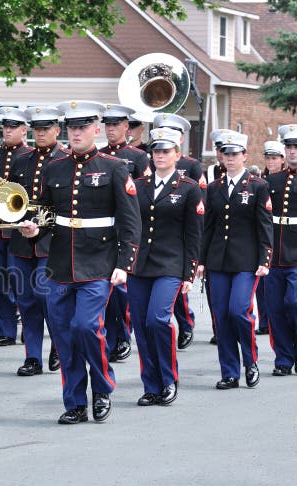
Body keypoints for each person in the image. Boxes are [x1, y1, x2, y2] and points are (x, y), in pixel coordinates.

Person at [19, 100, 141, 424]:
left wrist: (125, 263)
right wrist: (34, 228)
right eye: (72, 127)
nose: (76, 133)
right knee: (63, 335)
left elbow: (130, 221)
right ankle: (74, 402)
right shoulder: (54, 168)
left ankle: (102, 387)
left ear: (96, 130)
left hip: (98, 263)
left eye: (83, 127)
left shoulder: (114, 167)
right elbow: (46, 214)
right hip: (60, 265)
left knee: (86, 326)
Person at [129, 127, 203, 406]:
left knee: (157, 320)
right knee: (140, 325)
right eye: (156, 151)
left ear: (177, 155)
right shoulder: (137, 185)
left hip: (171, 264)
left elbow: (194, 233)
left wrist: (190, 272)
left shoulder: (188, 188)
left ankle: (169, 379)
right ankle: (151, 385)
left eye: (165, 151)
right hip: (139, 266)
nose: (159, 155)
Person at [199, 132, 272, 390]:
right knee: (221, 315)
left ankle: (250, 361)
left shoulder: (257, 186)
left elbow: (264, 225)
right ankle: (229, 371)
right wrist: (201, 260)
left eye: (234, 154)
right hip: (218, 259)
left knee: (238, 310)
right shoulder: (215, 187)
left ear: (244, 156)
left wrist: (265, 258)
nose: (229, 158)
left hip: (246, 260)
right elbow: (208, 227)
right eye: (225, 154)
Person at [9, 105, 66, 376]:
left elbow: (62, 205)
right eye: (37, 129)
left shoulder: (66, 160)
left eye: (46, 129)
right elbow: (9, 197)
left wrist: (38, 225)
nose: (40, 133)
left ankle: (57, 344)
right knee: (26, 300)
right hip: (22, 242)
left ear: (57, 130)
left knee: (47, 298)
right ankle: (33, 357)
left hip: (51, 242)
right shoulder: (22, 160)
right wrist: (14, 218)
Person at [265, 125, 297, 376]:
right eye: (289, 147)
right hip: (274, 252)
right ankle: (283, 357)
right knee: (274, 307)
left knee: (294, 302)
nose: (293, 151)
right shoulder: (272, 180)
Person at [102, 103, 151, 363]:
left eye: (116, 125)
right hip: (105, 231)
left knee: (122, 292)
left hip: (127, 228)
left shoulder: (138, 157)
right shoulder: (98, 155)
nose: (111, 129)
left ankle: (123, 336)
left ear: (125, 127)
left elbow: (143, 195)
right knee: (107, 292)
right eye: (107, 125)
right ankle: (112, 339)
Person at [153, 113, 206, 350]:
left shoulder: (192, 166)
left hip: (179, 234)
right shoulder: (152, 163)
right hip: (155, 240)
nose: (161, 154)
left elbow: (198, 201)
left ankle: (185, 324)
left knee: (177, 294)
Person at [0, 107, 31, 347]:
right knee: (0, 280)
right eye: (5, 126)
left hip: (19, 227)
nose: (8, 130)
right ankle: (6, 330)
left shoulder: (30, 155)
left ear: (24, 130)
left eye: (13, 127)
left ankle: (28, 327)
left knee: (20, 280)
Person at [255, 140, 286, 337]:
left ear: (282, 160)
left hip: (280, 234)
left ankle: (277, 320)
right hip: (261, 234)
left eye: (274, 158)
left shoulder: (285, 180)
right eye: (268, 158)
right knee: (261, 284)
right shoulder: (260, 180)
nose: (270, 162)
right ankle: (264, 320)